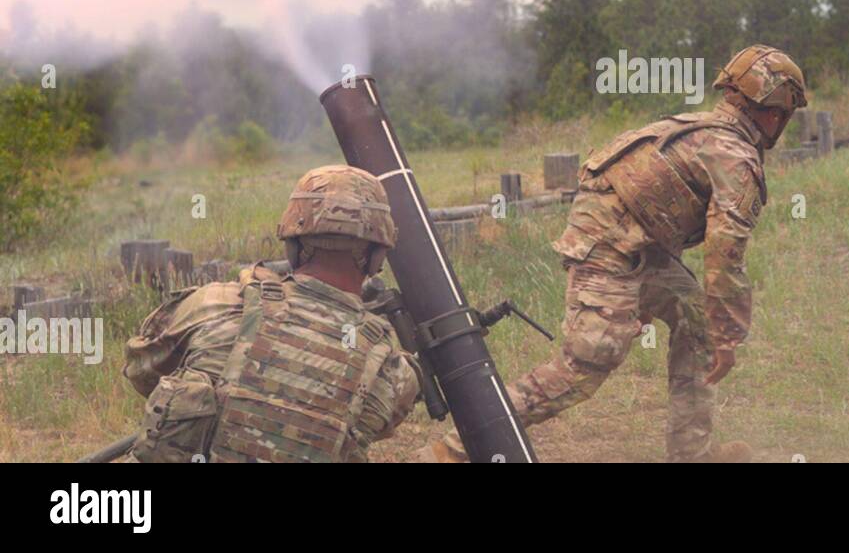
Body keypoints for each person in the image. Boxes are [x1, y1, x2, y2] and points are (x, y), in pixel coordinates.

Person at [431, 44, 807, 462]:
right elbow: (725, 257)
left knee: (694, 313)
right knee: (583, 367)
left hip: (634, 242)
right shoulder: (735, 158)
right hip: (611, 247)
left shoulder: (699, 128)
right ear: (776, 112)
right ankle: (451, 452)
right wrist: (730, 334)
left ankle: (692, 453)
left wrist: (674, 305)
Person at [123, 165, 420, 462]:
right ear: (377, 255)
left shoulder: (214, 305)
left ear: (292, 242)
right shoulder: (388, 370)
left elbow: (141, 369)